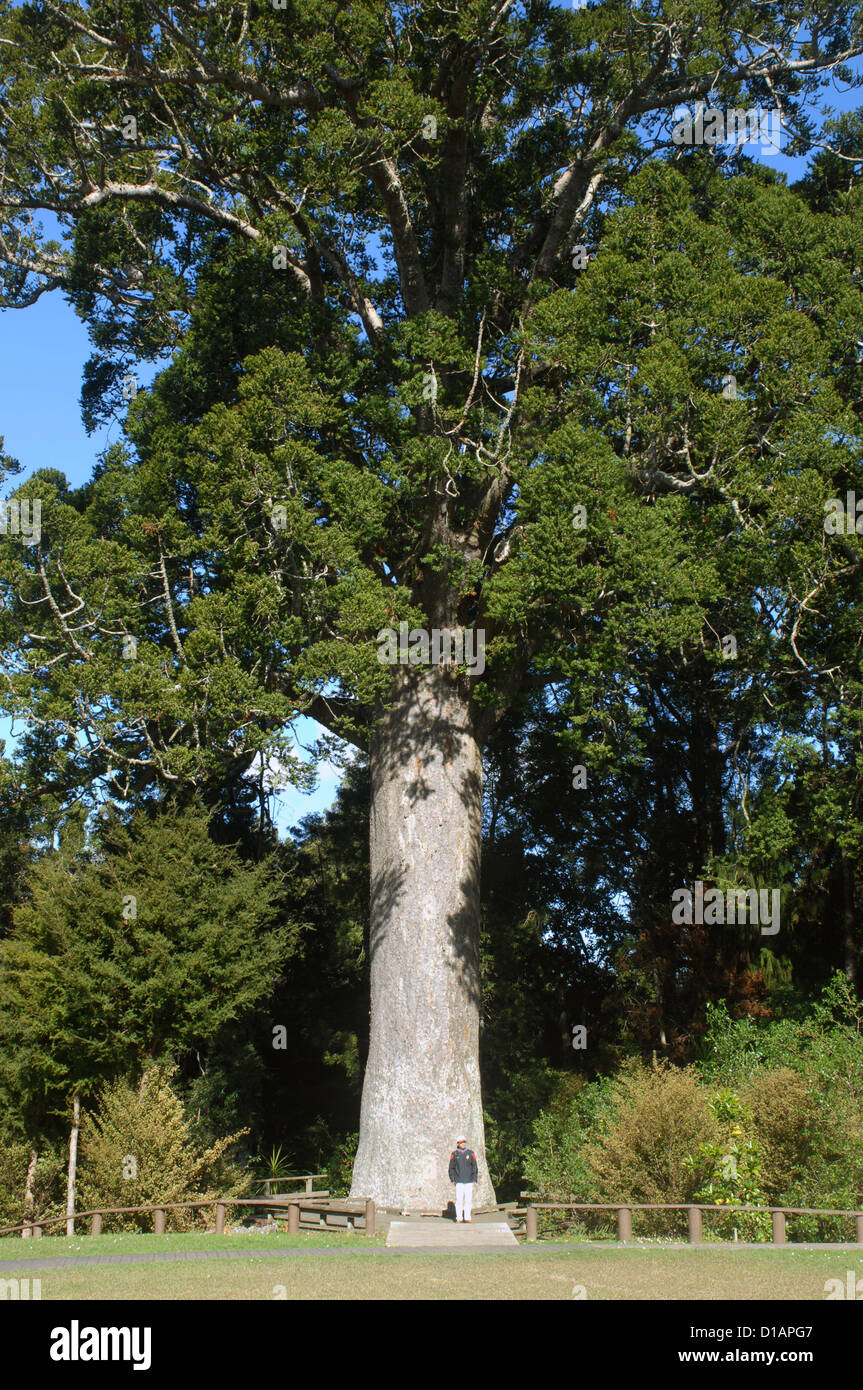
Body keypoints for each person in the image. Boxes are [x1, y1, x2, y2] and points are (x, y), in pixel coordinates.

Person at [448, 1135, 478, 1223]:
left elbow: (475, 1167)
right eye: (461, 1142)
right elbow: (451, 1168)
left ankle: (467, 1217)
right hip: (459, 1181)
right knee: (459, 1200)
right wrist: (453, 1179)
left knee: (468, 1200)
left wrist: (474, 1179)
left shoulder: (470, 1153)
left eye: (464, 1142)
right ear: (458, 1144)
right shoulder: (454, 1154)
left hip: (469, 1180)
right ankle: (459, 1218)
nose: (463, 1144)